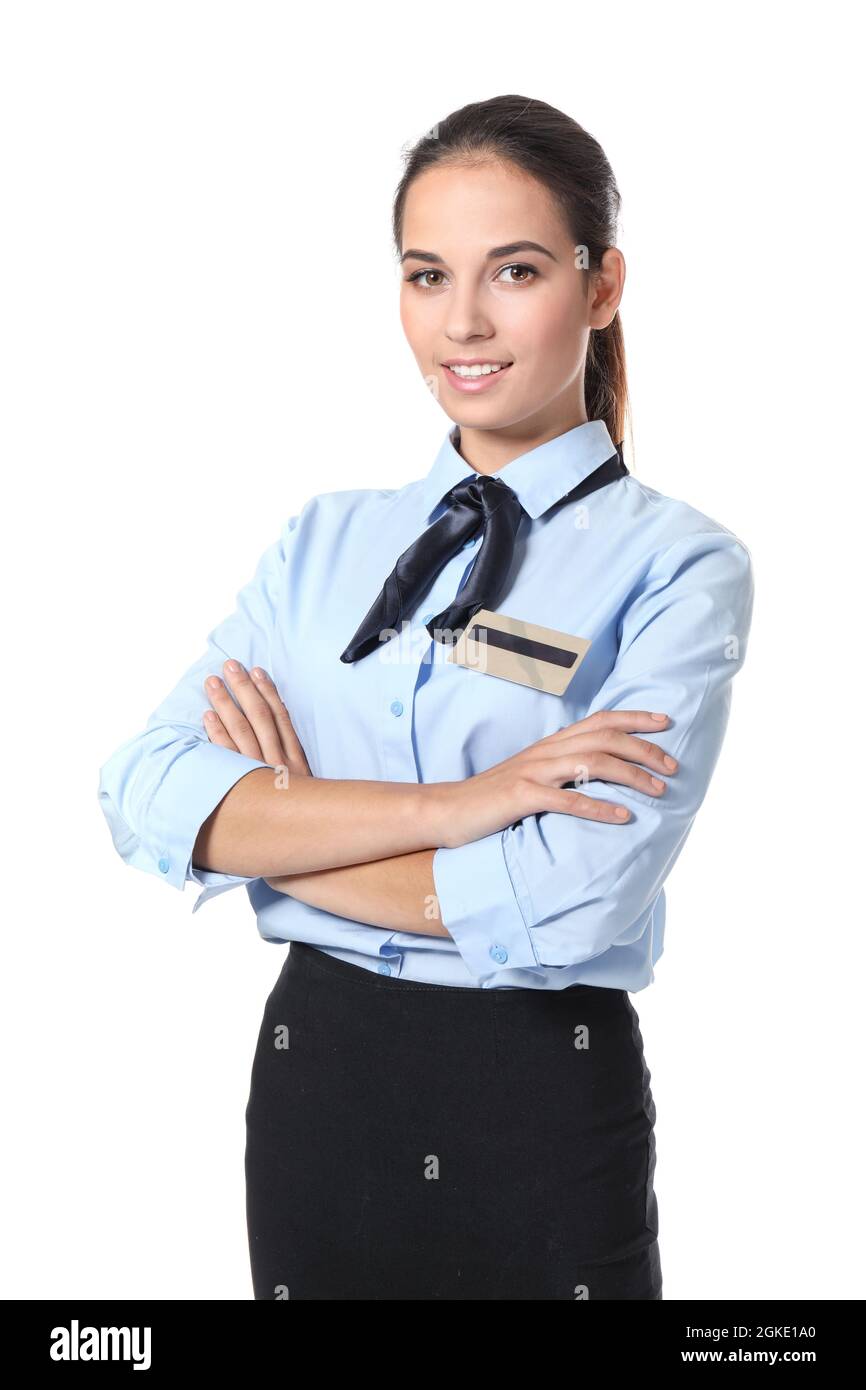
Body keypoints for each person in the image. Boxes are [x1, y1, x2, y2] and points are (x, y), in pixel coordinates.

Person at [97, 94, 754, 1301]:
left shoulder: (676, 564)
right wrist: (463, 807)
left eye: (511, 271)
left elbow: (569, 895)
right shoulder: (322, 543)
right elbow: (144, 792)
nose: (462, 322)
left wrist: (274, 838)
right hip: (318, 1084)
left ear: (599, 285)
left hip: (537, 1102)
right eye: (423, 275)